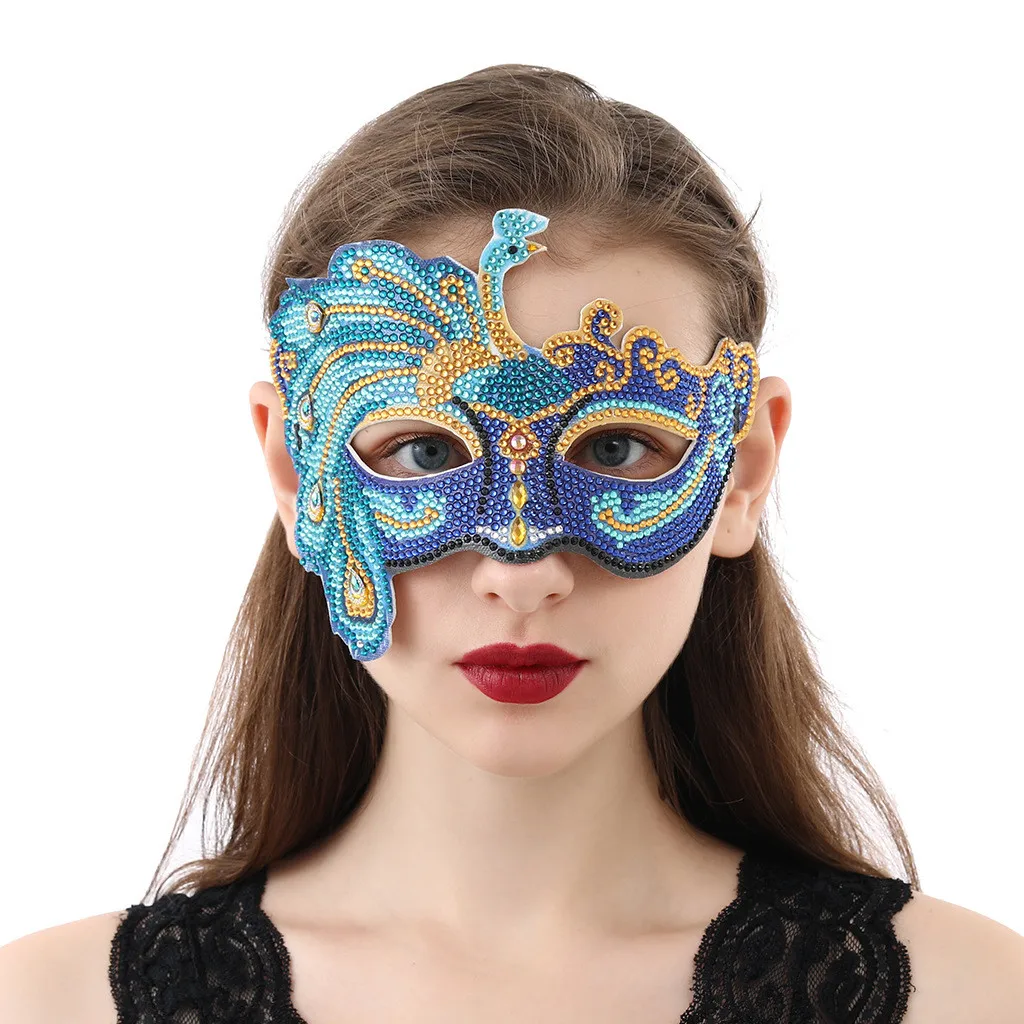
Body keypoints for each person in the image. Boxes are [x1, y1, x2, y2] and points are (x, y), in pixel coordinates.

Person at [2, 63, 1022, 1024]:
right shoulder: (50, 1003)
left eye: (617, 447)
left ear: (743, 469)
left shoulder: (972, 997)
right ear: (293, 466)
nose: (521, 571)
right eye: (423, 451)